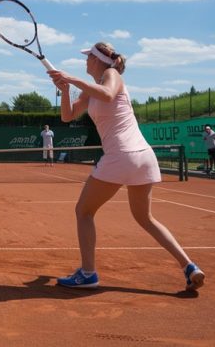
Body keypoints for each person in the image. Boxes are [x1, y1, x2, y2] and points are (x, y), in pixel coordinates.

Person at [48, 41, 205, 291]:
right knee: (145, 218)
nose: (86, 60)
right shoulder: (91, 90)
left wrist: (72, 78)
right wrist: (65, 90)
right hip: (142, 157)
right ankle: (189, 266)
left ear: (99, 60)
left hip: (121, 156)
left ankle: (88, 273)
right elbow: (67, 116)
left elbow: (108, 95)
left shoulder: (111, 75)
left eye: (89, 56)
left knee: (84, 212)